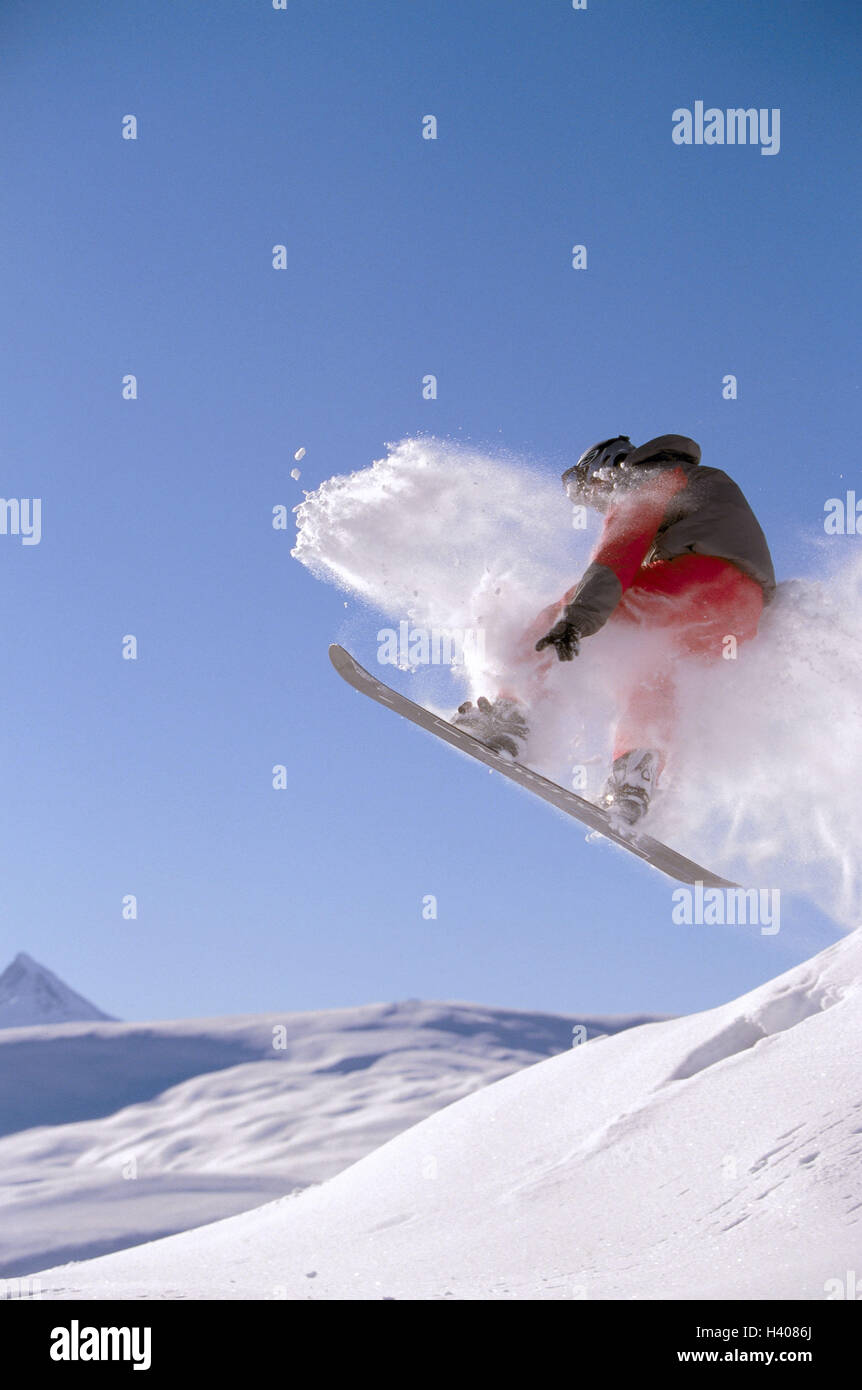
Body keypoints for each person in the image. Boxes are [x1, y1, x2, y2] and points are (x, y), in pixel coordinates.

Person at [453, 434, 775, 829]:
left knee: (555, 616)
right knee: (653, 676)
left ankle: (508, 716)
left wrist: (577, 618)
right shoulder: (702, 482)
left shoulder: (649, 476)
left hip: (692, 581)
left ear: (610, 468)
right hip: (741, 612)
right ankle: (632, 780)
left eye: (592, 491)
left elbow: (618, 553)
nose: (597, 503)